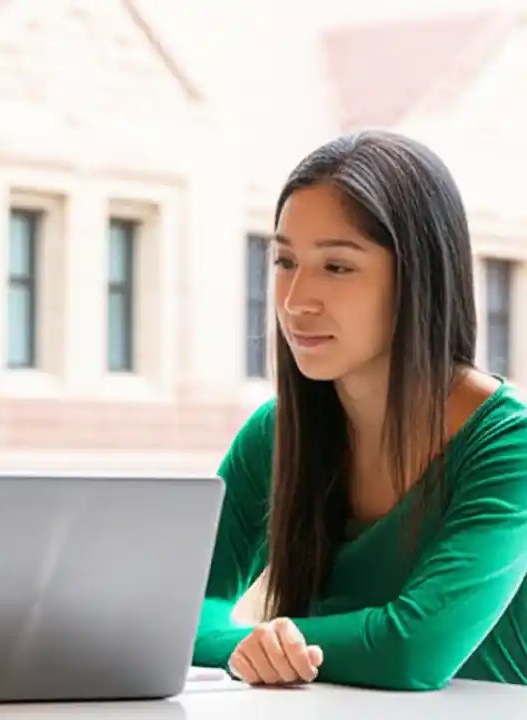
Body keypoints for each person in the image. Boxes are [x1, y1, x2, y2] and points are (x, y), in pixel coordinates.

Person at [192, 130, 527, 690]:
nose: (297, 300)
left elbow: (413, 650)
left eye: (338, 267)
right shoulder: (275, 434)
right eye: (284, 261)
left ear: (418, 277)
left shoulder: (508, 443)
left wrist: (275, 642)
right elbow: (174, 610)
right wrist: (255, 647)